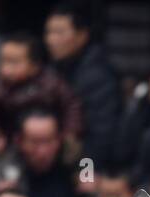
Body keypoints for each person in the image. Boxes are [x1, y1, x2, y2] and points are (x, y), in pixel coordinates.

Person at [0, 32, 82, 157]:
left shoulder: (51, 84)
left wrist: (70, 133)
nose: (6, 69)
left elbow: (71, 107)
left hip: (50, 147)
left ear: (34, 65)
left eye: (14, 62)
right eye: (3, 61)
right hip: (11, 148)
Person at [44, 1, 120, 168]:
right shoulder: (54, 69)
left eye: (59, 33)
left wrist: (87, 172)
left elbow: (101, 133)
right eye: (49, 32)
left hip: (84, 165)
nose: (51, 40)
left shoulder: (97, 76)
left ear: (82, 35)